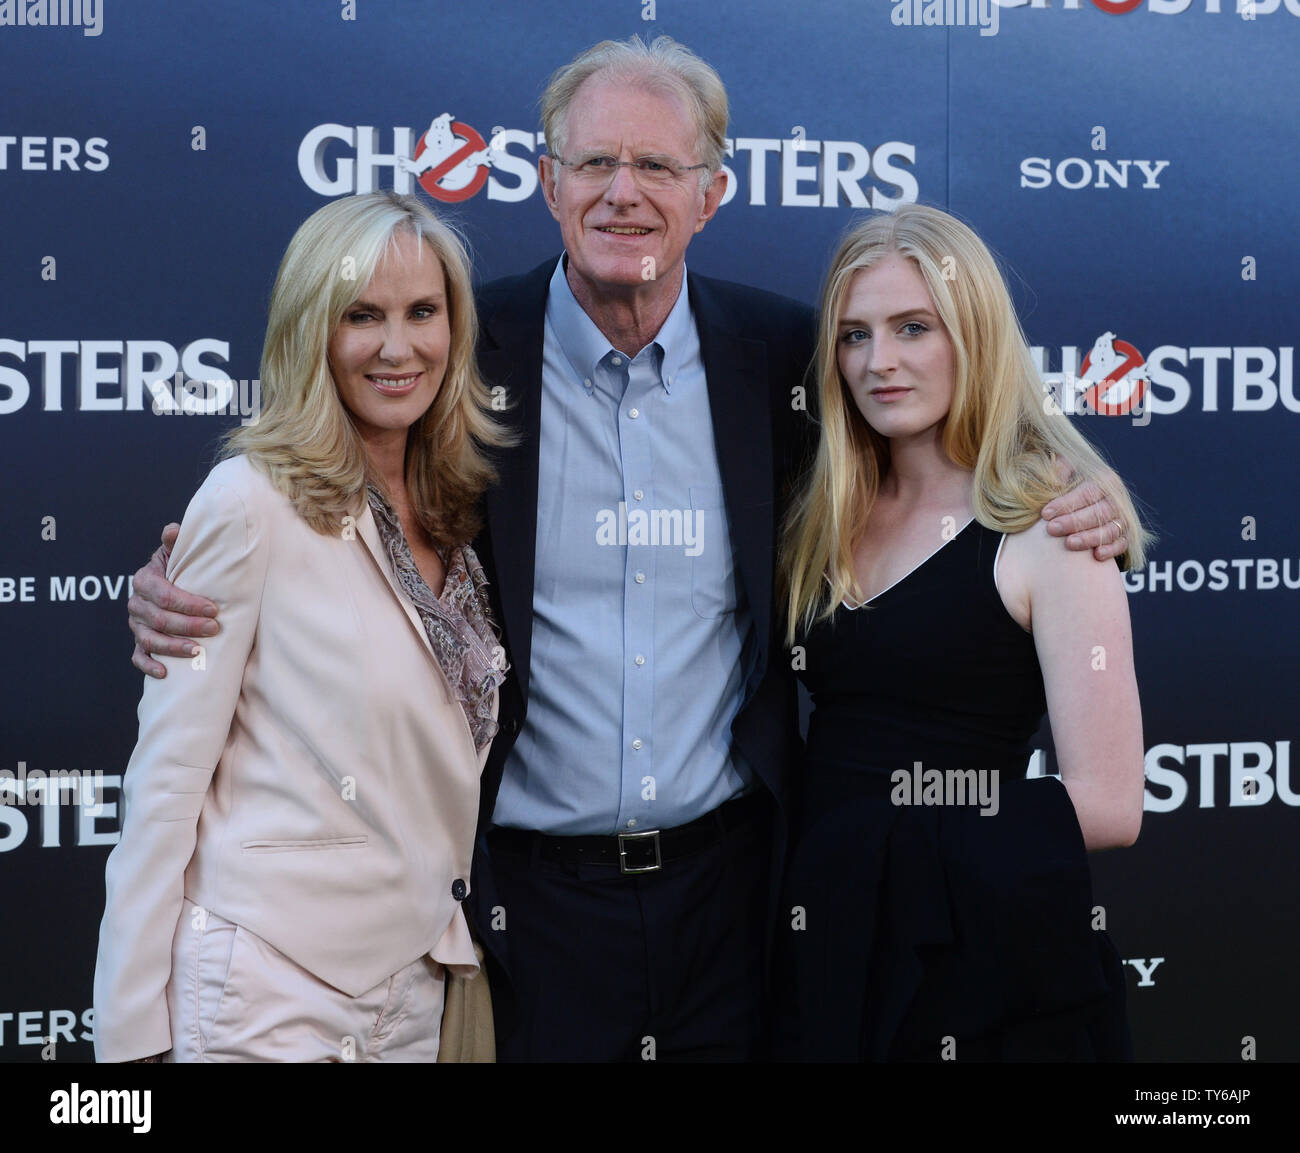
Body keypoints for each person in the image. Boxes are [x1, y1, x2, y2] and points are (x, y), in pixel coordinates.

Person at [124, 38, 1132, 1062]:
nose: (623, 193)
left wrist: (1074, 493)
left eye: (657, 166)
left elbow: (946, 427)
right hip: (522, 909)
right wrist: (181, 580)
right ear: (548, 182)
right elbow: (318, 483)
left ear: (712, 193)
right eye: (595, 163)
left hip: (740, 908)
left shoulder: (789, 361)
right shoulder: (457, 348)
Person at [94, 190, 508, 1062]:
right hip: (262, 994)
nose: (399, 347)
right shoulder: (250, 500)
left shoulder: (454, 509)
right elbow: (165, 786)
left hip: (413, 994)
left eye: (422, 312)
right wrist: (131, 1041)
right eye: (363, 315)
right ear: (312, 332)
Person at [775, 203, 1150, 1062]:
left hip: (984, 960)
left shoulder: (1051, 523)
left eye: (914, 327)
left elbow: (1111, 802)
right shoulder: (824, 509)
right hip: (831, 948)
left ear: (973, 332)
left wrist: (889, 826)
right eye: (854, 335)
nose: (881, 362)